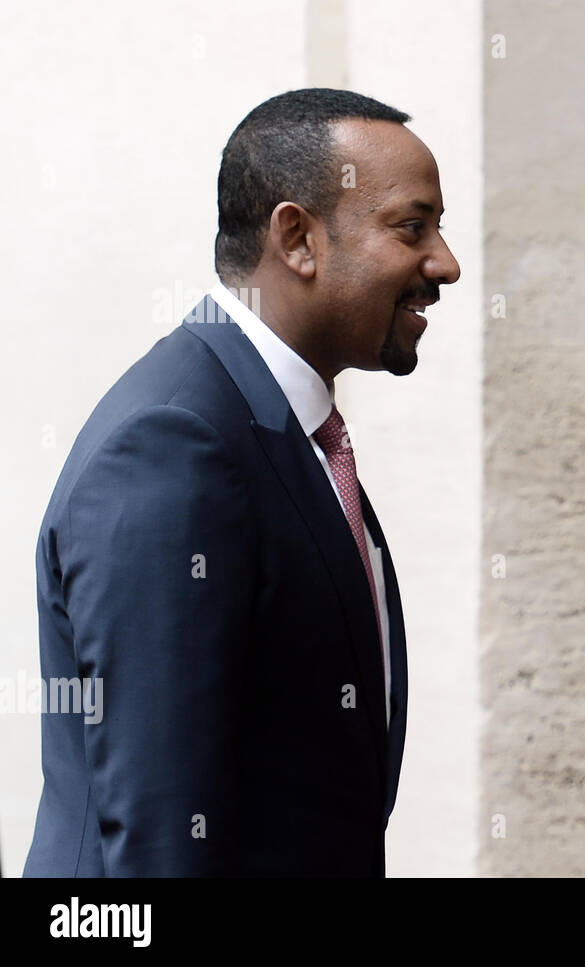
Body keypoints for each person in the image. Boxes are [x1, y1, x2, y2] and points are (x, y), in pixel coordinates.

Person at [24, 88, 460, 875]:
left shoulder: (285, 432)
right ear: (297, 238)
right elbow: (159, 839)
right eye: (412, 227)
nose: (446, 264)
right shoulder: (173, 442)